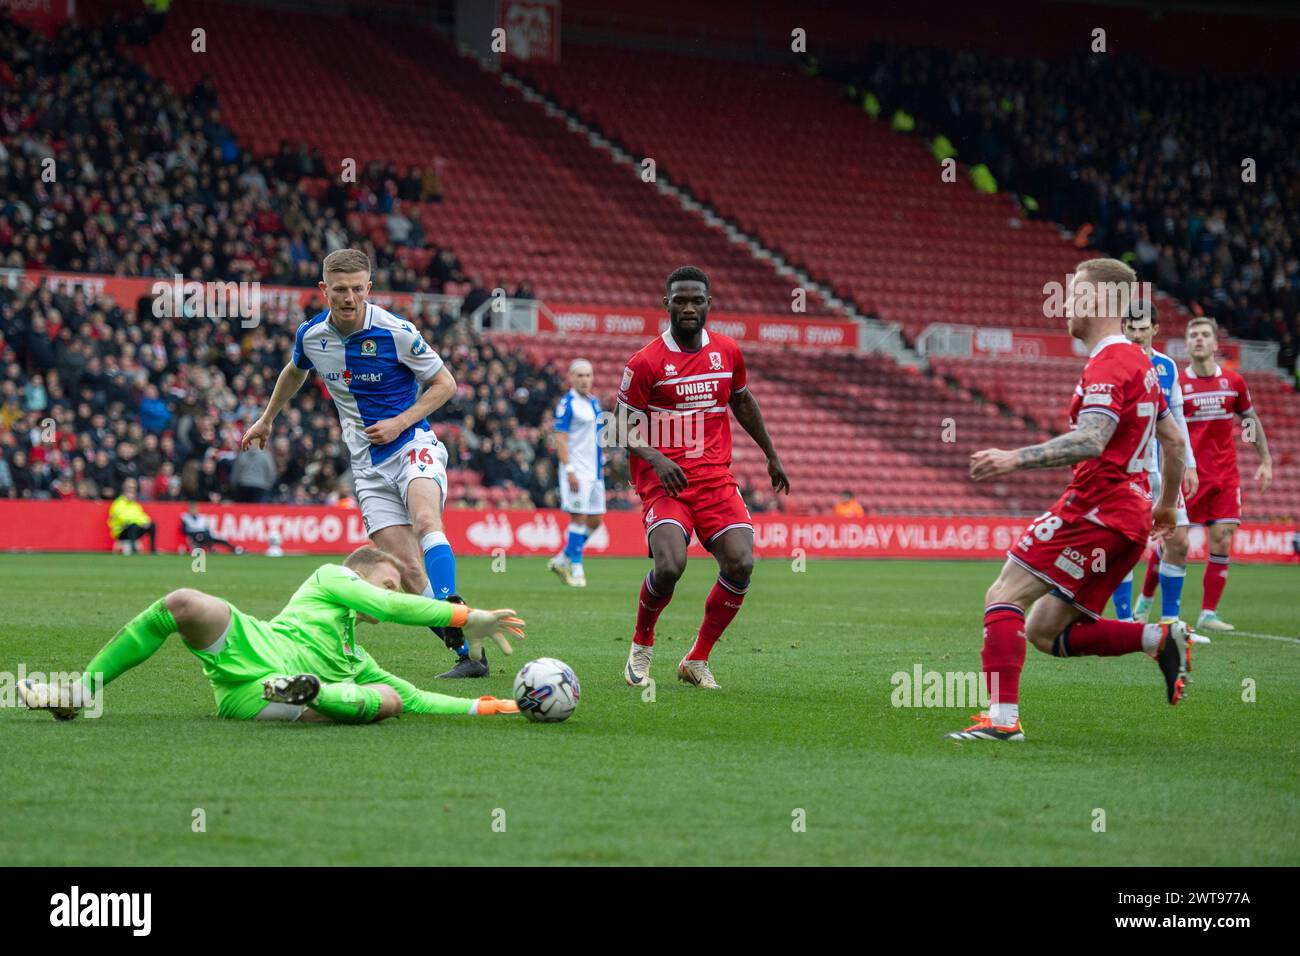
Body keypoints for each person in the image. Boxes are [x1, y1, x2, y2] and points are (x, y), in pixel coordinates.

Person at [950, 259, 1191, 742]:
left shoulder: (1110, 363)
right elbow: (1174, 440)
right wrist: (1165, 505)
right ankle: (1157, 637)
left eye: (1075, 294)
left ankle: (1001, 722)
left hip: (1096, 508)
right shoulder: (1143, 365)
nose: (1065, 305)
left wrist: (1012, 458)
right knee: (1045, 631)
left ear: (1100, 301)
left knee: (1003, 595)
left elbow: (1091, 439)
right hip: (1131, 518)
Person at [241, 249, 485, 679]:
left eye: (357, 288)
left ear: (369, 288)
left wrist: (400, 422)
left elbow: (445, 383)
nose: (349, 297)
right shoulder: (311, 335)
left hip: (413, 444)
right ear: (324, 290)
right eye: (340, 290)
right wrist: (267, 418)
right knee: (408, 572)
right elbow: (294, 372)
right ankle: (468, 654)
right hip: (367, 467)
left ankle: (451, 604)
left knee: (427, 520)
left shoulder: (397, 331)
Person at [18, 546, 524, 723]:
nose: (393, 591)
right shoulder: (331, 577)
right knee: (184, 603)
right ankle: (78, 692)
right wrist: (464, 617)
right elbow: (385, 604)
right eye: (388, 579)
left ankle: (309, 692)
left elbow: (419, 699)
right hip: (254, 649)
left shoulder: (357, 656)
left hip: (264, 698)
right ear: (360, 573)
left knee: (392, 699)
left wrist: (492, 705)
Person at [614, 266, 789, 690]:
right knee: (671, 565)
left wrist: (771, 454)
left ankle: (696, 658)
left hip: (713, 480)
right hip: (665, 484)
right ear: (667, 305)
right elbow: (619, 427)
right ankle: (642, 643)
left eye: (697, 300)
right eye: (680, 300)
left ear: (709, 304)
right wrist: (656, 458)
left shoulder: (727, 352)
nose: (688, 308)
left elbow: (743, 401)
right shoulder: (645, 362)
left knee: (742, 562)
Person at [1180, 316, 1274, 632]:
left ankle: (1208, 614)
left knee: (1222, 538)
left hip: (1224, 476)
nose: (1199, 339)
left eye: (1205, 334)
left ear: (1216, 344)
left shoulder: (1233, 383)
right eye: (1193, 335)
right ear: (1187, 343)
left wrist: (1264, 459)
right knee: (1175, 542)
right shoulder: (1179, 385)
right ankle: (1146, 601)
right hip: (1189, 477)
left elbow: (1249, 420)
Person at [1109, 302, 1199, 625]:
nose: (1136, 334)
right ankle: (1124, 623)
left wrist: (1189, 463)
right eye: (1130, 328)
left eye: (1142, 327)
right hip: (1127, 470)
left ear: (1155, 329)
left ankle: (1170, 623)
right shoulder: (1110, 365)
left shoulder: (1168, 368)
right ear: (1123, 329)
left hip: (1163, 471)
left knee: (1180, 542)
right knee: (1124, 546)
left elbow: (1177, 419)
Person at [546, 359, 605, 588]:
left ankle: (561, 559)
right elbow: (559, 438)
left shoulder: (594, 402)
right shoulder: (567, 403)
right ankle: (577, 569)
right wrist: (569, 469)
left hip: (595, 471)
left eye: (588, 375)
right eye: (580, 375)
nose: (585, 380)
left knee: (596, 520)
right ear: (571, 378)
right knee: (579, 517)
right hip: (577, 469)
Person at [108, 478, 156, 554]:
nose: (131, 495)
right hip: (121, 531)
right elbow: (123, 518)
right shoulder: (118, 503)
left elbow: (142, 515)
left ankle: (153, 549)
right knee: (133, 526)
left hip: (134, 529)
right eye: (129, 492)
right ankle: (133, 549)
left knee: (152, 525)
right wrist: (139, 522)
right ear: (124, 492)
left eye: (133, 493)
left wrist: (146, 522)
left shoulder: (135, 505)